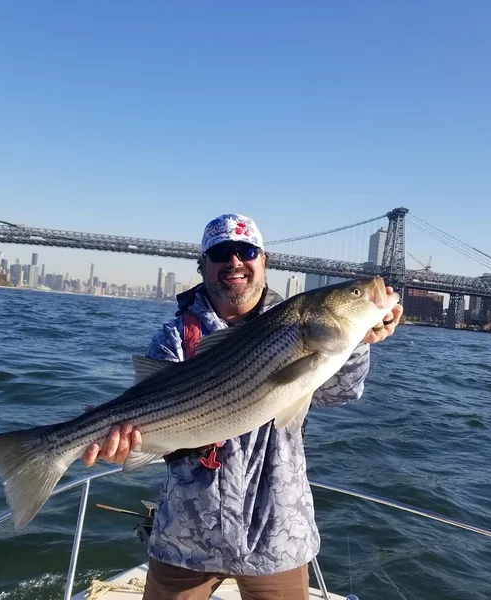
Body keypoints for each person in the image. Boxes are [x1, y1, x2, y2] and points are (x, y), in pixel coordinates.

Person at [83, 213, 403, 600]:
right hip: (187, 533)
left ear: (264, 261)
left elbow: (338, 393)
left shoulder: (297, 324)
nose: (234, 262)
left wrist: (360, 342)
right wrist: (123, 445)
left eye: (246, 251)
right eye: (220, 253)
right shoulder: (175, 338)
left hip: (275, 531)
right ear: (203, 266)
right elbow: (161, 429)